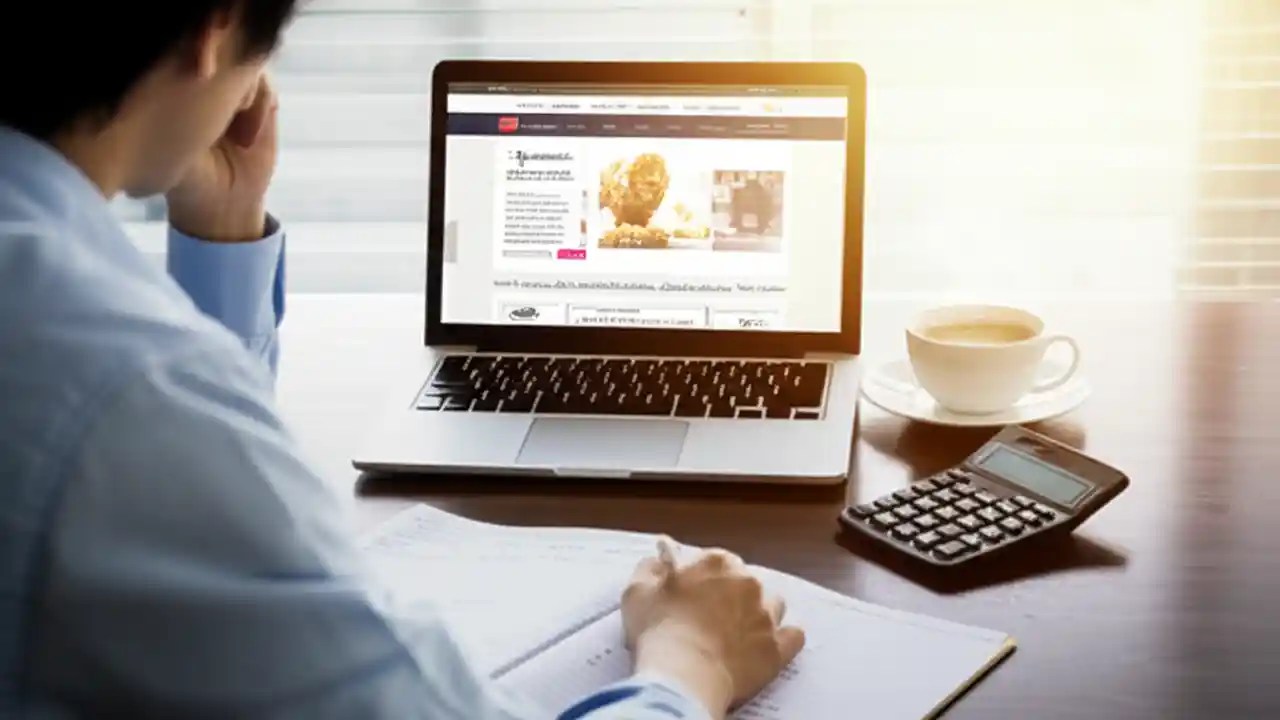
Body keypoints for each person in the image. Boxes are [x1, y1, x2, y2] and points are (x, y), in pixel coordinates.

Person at [0, 3, 804, 718]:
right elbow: (149, 439)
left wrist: (224, 226)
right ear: (215, 30)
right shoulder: (128, 393)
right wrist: (690, 658)